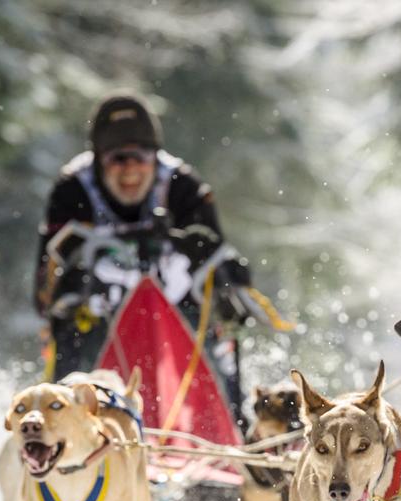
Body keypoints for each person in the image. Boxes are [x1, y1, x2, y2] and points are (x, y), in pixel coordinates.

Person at [34, 91, 250, 413]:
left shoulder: (183, 186)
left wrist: (217, 267)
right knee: (73, 333)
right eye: (117, 159)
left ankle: (232, 424)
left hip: (177, 304)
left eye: (141, 157)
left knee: (214, 330)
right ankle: (63, 421)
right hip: (98, 310)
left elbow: (222, 259)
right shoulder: (72, 190)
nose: (130, 170)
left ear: (156, 156)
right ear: (98, 160)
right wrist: (72, 282)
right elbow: (45, 286)